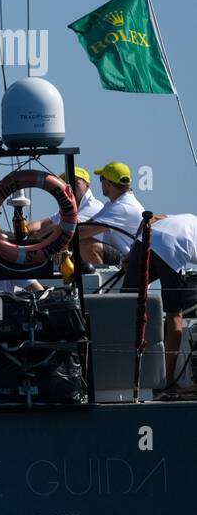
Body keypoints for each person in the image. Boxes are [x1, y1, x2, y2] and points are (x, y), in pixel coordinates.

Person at [122, 212, 197, 391]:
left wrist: (131, 254)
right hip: (173, 249)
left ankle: (125, 376)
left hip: (145, 240)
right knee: (174, 316)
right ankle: (168, 381)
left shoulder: (188, 217)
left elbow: (150, 218)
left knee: (125, 306)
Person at [77, 162, 143, 266]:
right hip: (123, 257)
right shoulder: (113, 204)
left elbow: (81, 232)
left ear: (107, 184)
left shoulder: (123, 207)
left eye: (101, 179)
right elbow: (88, 225)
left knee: (86, 245)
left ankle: (100, 279)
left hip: (129, 263)